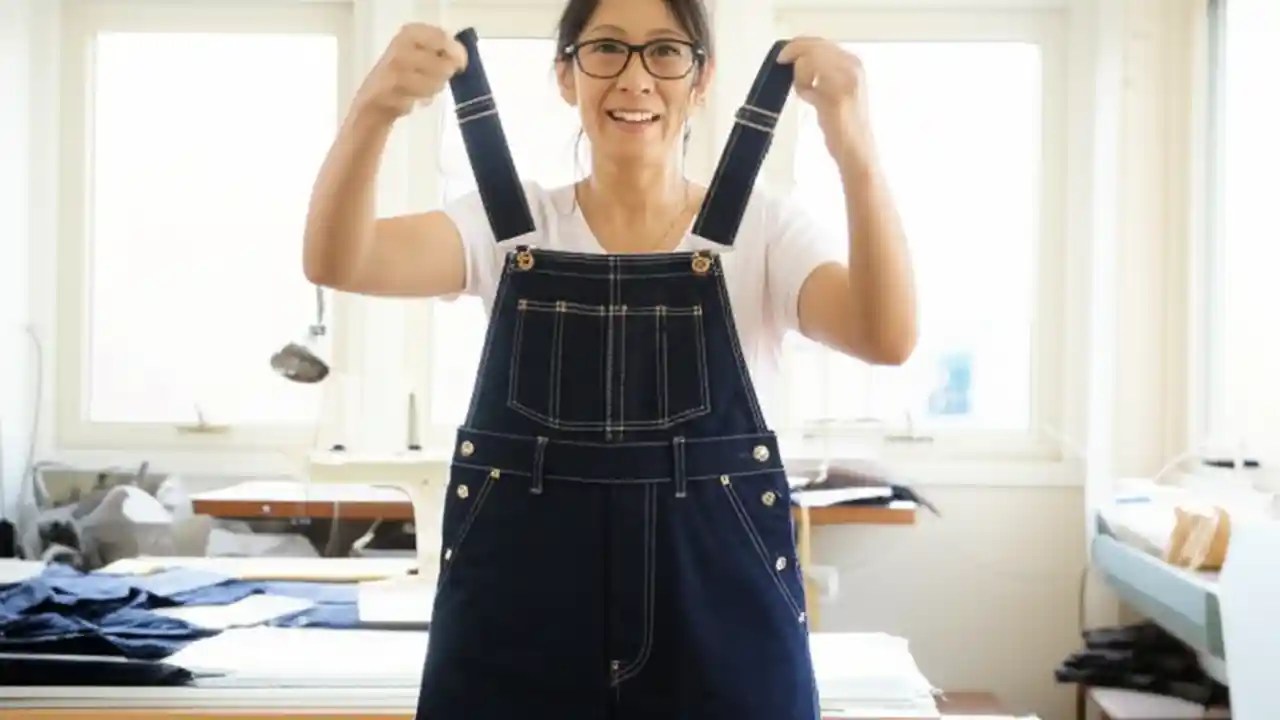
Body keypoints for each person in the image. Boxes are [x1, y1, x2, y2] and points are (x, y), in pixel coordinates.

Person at [302, 0, 917, 717]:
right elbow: (339, 259)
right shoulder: (505, 227)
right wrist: (372, 112)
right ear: (566, 75)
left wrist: (857, 152)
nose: (635, 78)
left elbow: (886, 335)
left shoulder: (764, 231)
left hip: (718, 612)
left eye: (664, 51)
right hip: (522, 618)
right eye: (605, 50)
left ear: (702, 76)